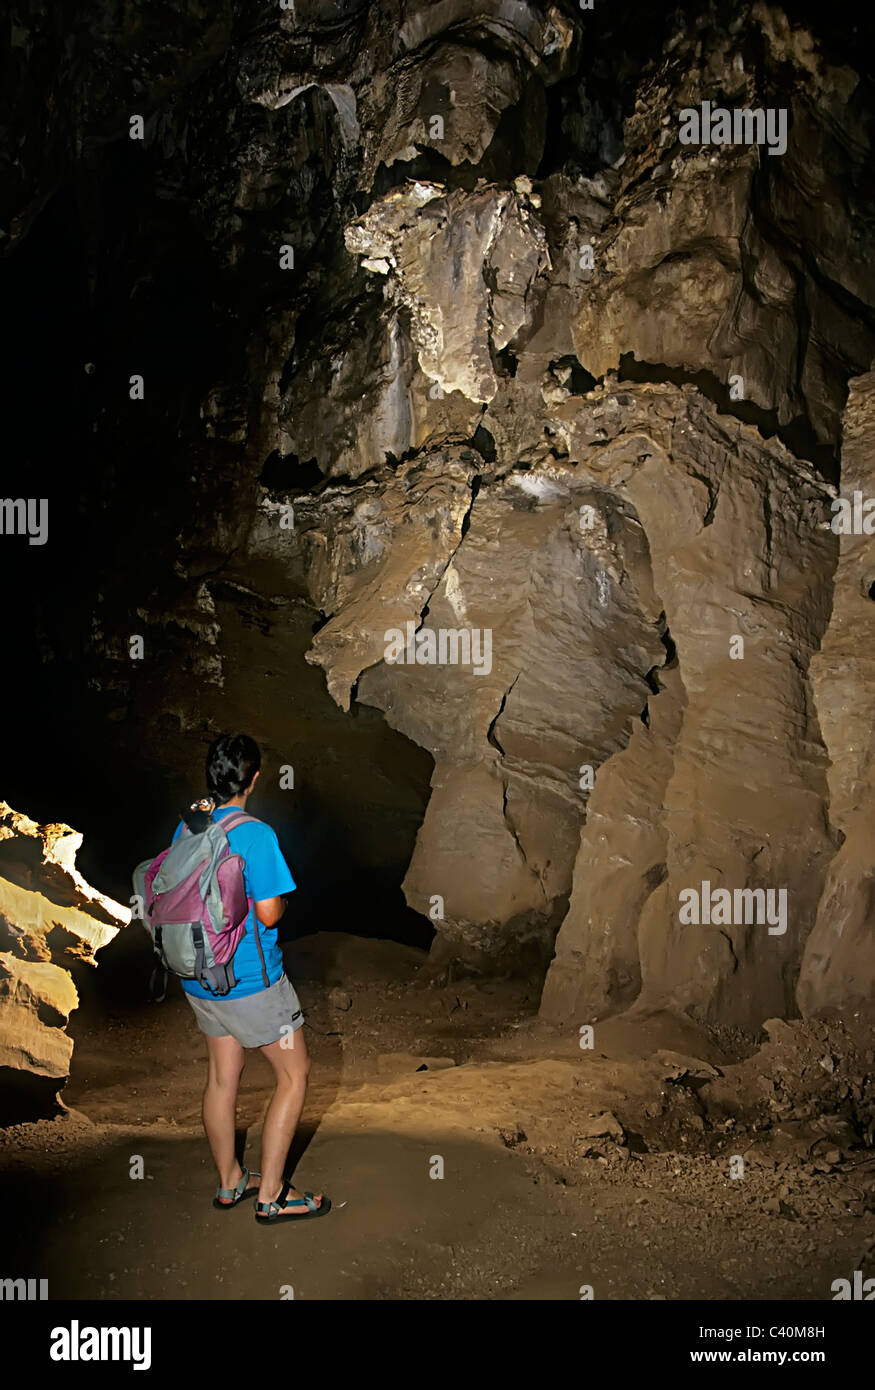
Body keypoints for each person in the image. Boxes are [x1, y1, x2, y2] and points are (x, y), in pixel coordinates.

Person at [173, 732, 329, 1223]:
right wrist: (278, 900)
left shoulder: (187, 826)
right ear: (254, 779)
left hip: (198, 977)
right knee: (294, 1074)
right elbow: (268, 915)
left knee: (222, 1077)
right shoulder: (257, 835)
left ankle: (230, 1182)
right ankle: (273, 1197)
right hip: (249, 982)